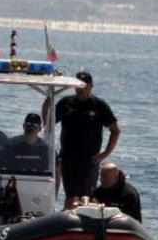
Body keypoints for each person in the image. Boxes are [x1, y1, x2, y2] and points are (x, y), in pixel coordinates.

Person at [43, 71, 121, 208]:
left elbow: (115, 130)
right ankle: (67, 223)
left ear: (91, 86)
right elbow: (48, 124)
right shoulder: (66, 103)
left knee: (86, 197)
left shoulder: (99, 105)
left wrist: (105, 153)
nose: (79, 88)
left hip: (89, 160)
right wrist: (47, 102)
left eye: (83, 85)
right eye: (77, 85)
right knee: (70, 197)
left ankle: (85, 222)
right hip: (67, 158)